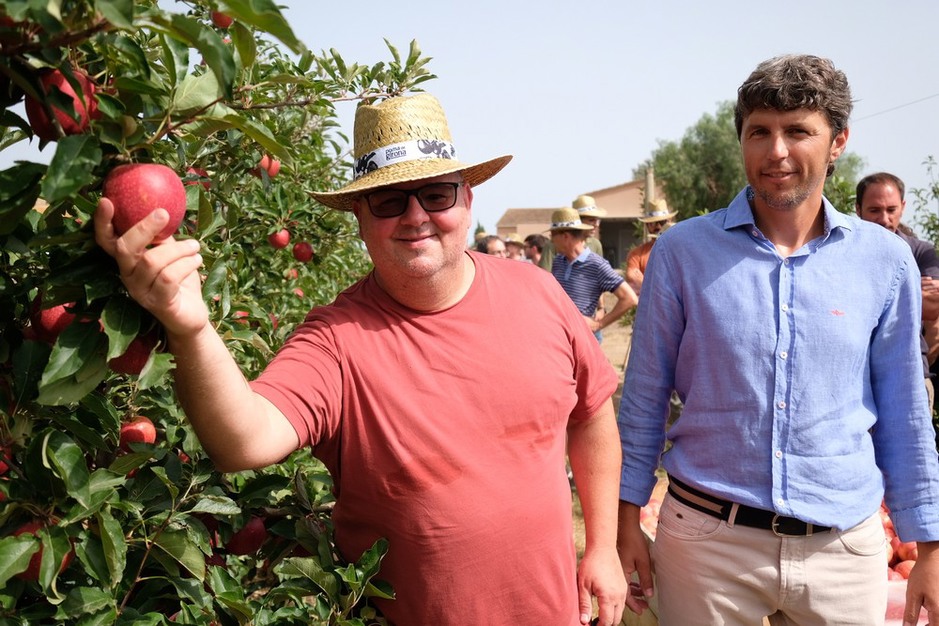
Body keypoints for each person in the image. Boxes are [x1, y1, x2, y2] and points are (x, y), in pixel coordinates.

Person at [94, 92, 627, 626]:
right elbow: (244, 441)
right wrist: (191, 328)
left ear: (467, 200)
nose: (416, 216)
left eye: (435, 194)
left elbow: (591, 414)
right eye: (389, 201)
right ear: (359, 218)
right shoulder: (336, 340)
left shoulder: (538, 291)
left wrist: (603, 547)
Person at [616, 54, 939, 625]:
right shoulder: (683, 254)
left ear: (838, 142)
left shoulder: (885, 262)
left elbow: (905, 414)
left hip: (843, 548)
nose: (777, 151)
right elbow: (643, 399)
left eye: (798, 131)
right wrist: (624, 523)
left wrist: (929, 548)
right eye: (759, 132)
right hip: (708, 543)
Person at [855, 171, 939, 406]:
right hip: (854, 377)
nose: (884, 219)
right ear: (858, 209)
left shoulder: (921, 251)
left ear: (902, 207)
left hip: (911, 374)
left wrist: (868, 291)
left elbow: (932, 307)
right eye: (874, 210)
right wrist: (909, 290)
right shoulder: (842, 250)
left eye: (891, 210)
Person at [548, 207, 638, 343]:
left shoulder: (597, 265)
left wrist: (598, 325)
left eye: (552, 235)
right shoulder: (558, 262)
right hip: (557, 339)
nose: (551, 241)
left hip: (580, 342)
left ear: (565, 236)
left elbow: (630, 298)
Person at [539, 194, 605, 273]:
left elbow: (600, 273)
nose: (596, 224)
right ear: (578, 220)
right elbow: (544, 275)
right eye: (591, 220)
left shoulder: (596, 244)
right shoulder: (553, 245)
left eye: (598, 220)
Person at [624, 198, 676, 295]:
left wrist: (645, 283)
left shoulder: (679, 251)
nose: (658, 227)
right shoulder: (636, 254)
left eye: (662, 222)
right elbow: (633, 280)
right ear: (647, 225)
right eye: (652, 223)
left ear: (669, 221)